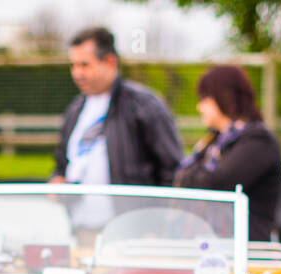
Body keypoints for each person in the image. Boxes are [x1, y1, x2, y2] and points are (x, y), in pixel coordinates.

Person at [50, 26, 183, 188]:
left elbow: (173, 168)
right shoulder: (75, 109)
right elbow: (61, 164)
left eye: (84, 65)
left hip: (133, 213)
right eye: (73, 65)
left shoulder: (143, 105)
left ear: (110, 62)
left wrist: (161, 211)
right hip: (80, 213)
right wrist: (57, 180)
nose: (77, 73)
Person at [173, 65, 281, 241]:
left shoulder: (259, 141)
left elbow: (217, 183)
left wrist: (191, 177)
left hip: (249, 253)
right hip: (213, 247)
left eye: (204, 99)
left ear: (224, 97)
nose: (199, 107)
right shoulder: (214, 143)